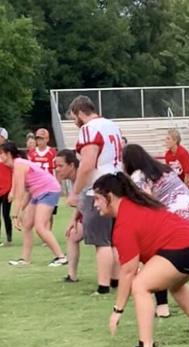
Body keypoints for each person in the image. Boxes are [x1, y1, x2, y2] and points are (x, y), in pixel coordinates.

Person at [93, 173, 189, 347]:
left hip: (184, 247)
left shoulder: (124, 224)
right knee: (176, 284)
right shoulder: (137, 203)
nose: (95, 204)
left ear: (110, 197)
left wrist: (118, 310)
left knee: (140, 286)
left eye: (97, 198)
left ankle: (145, 345)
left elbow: (128, 272)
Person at [123, 143, 189, 317]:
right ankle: (176, 294)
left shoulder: (138, 175)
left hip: (177, 218)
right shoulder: (165, 169)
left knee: (155, 258)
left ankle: (162, 306)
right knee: (174, 269)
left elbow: (146, 200)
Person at [67, 96, 127, 295]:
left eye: (74, 117)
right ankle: (116, 279)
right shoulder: (112, 125)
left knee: (101, 241)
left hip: (100, 187)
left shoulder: (89, 128)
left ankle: (103, 286)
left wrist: (75, 192)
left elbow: (88, 162)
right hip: (118, 185)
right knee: (114, 239)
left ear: (79, 112)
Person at [0, 140, 68, 268]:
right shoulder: (16, 166)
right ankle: (25, 259)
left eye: (1, 153)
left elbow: (19, 194)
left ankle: (61, 257)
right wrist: (20, 212)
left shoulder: (19, 164)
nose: (0, 156)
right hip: (38, 193)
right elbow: (26, 192)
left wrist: (14, 215)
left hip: (49, 190)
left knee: (40, 226)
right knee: (27, 225)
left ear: (8, 154)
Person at [54, 149, 85, 283]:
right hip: (88, 211)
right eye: (56, 166)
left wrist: (75, 203)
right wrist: (73, 220)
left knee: (104, 244)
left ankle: (110, 280)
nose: (57, 169)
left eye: (60, 166)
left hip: (99, 212)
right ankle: (71, 275)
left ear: (72, 165)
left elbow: (87, 200)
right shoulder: (73, 180)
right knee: (72, 234)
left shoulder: (82, 177)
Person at [163, 128, 189, 195]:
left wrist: (185, 191)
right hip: (182, 183)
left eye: (168, 139)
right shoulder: (167, 155)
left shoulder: (182, 153)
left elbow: (188, 174)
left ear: (175, 140)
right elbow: (171, 174)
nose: (165, 141)